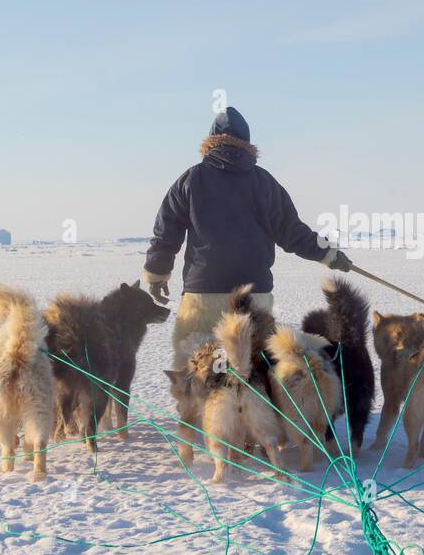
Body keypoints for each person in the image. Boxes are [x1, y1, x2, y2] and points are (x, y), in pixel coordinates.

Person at [143, 106, 352, 366]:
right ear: (248, 144)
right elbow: (293, 232)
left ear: (210, 141)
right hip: (254, 298)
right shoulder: (264, 183)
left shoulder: (191, 180)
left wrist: (157, 273)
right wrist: (329, 254)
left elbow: (166, 234)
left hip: (203, 297)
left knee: (201, 374)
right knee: (251, 373)